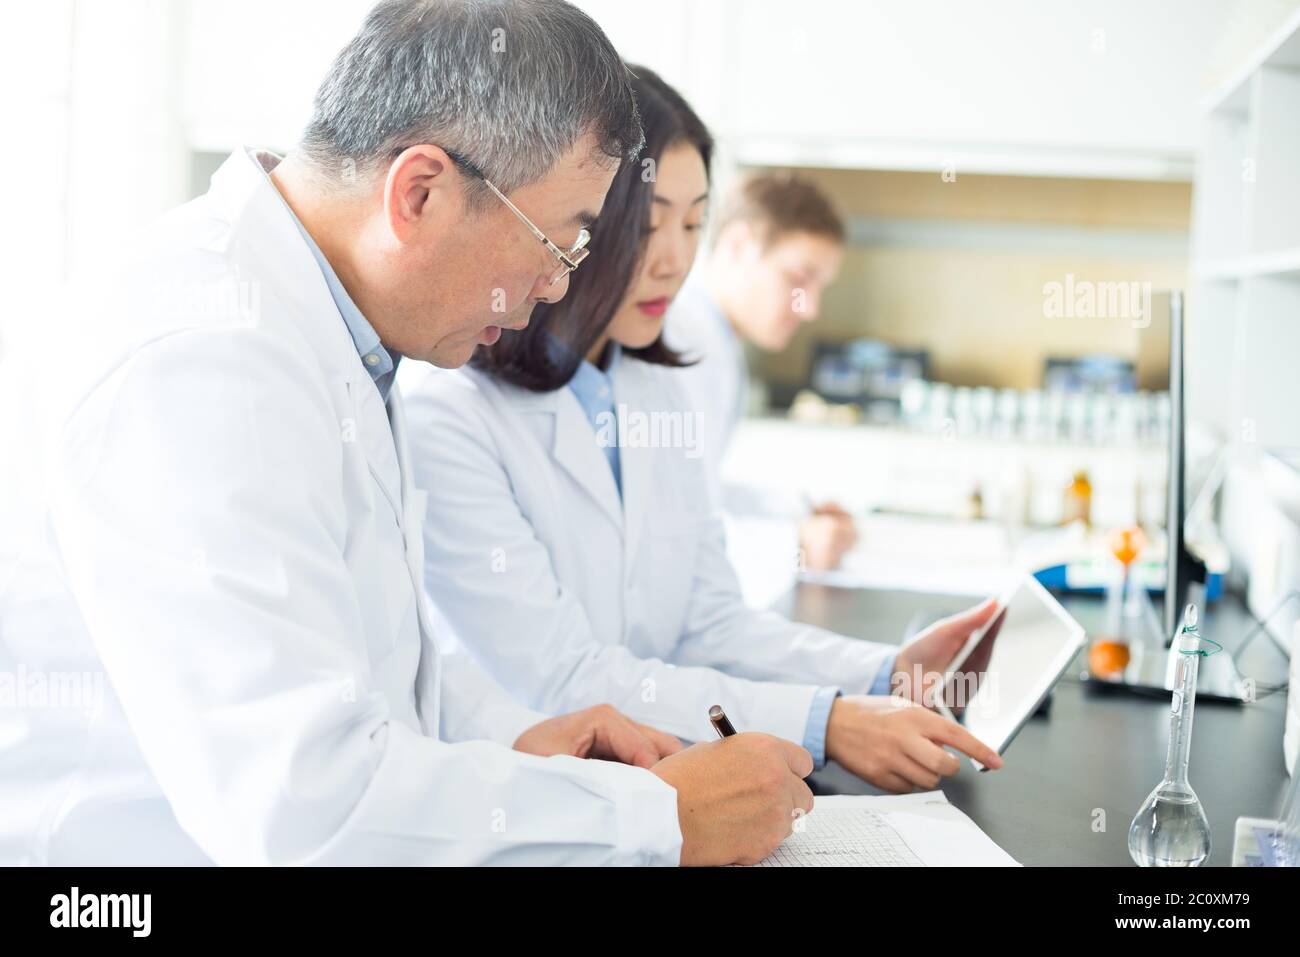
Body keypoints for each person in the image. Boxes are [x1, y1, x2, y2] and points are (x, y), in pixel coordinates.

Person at [0, 0, 813, 868]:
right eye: (559, 243)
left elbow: (369, 661)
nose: (552, 288)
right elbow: (305, 803)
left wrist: (520, 736)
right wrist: (658, 818)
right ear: (419, 192)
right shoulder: (207, 356)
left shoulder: (334, 330)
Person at [404, 65, 1002, 795]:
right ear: (576, 217)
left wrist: (884, 672)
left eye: (693, 223)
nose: (675, 259)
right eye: (648, 222)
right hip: (545, 804)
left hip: (660, 781)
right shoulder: (449, 412)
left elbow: (710, 621)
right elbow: (564, 674)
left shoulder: (656, 386)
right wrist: (826, 721)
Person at [665, 172, 860, 572]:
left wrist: (798, 511)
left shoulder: (718, 344)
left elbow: (700, 493)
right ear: (738, 246)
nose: (810, 309)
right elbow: (664, 522)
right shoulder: (680, 343)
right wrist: (794, 544)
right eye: (799, 279)